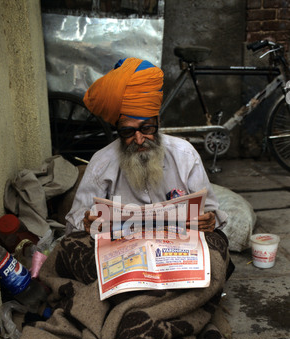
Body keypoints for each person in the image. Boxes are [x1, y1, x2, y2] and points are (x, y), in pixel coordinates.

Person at [65, 57, 227, 235]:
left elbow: (211, 211)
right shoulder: (102, 162)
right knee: (73, 248)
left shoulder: (185, 154)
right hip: (123, 253)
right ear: (117, 129)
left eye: (147, 128)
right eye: (128, 131)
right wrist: (87, 222)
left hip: (177, 248)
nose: (139, 139)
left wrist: (209, 219)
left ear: (158, 120)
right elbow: (74, 221)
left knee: (217, 246)